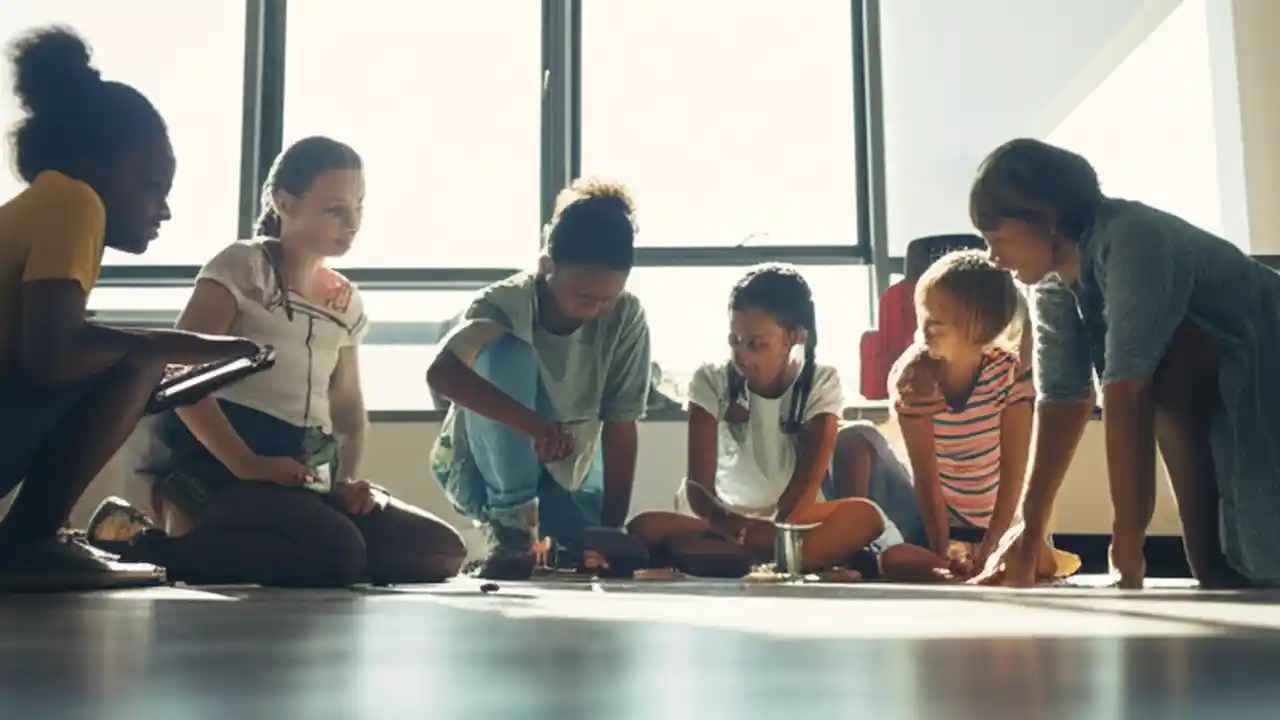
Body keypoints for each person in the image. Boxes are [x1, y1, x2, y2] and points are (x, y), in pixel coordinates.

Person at [86, 136, 466, 587]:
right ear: (284, 202)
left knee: (440, 551)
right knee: (340, 552)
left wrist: (347, 481)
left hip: (303, 477)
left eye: (358, 208)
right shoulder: (242, 266)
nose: (352, 223)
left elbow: (346, 410)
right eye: (334, 209)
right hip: (223, 469)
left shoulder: (346, 301)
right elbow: (176, 375)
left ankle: (287, 548)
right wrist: (247, 463)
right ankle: (136, 543)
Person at [0, 28, 260, 591]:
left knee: (136, 360)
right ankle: (28, 540)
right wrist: (157, 355)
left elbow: (54, 347)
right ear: (89, 165)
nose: (163, 209)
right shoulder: (73, 203)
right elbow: (50, 360)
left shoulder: (43, 204)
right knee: (137, 360)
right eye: (151, 185)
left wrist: (185, 356)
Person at [971, 138, 1280, 589]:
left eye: (997, 239)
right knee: (1230, 568)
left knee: (1170, 371)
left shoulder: (1134, 238)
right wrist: (1031, 529)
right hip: (1220, 380)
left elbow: (1127, 391)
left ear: (1048, 220)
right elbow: (1061, 397)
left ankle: (1214, 565)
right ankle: (1213, 569)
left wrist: (1127, 547)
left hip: (1265, 359)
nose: (993, 257)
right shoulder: (1054, 281)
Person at [626, 264, 950, 580]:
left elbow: (803, 493)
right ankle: (804, 561)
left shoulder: (821, 382)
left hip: (796, 522)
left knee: (862, 515)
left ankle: (771, 559)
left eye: (756, 343)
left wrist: (768, 533)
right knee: (646, 526)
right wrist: (738, 527)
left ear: (795, 339)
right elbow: (698, 488)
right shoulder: (710, 380)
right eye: (734, 340)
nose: (742, 355)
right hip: (727, 523)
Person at [427, 177, 651, 580]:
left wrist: (611, 529)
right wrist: (531, 425)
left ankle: (547, 537)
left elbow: (621, 422)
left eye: (608, 298)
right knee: (508, 350)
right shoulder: (504, 303)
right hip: (485, 474)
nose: (597, 309)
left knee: (589, 548)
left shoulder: (626, 317)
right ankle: (510, 529)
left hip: (568, 478)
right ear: (547, 266)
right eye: (584, 296)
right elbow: (441, 373)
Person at [833, 250, 1064, 577]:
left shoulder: (1008, 379)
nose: (923, 333)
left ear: (979, 330)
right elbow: (926, 479)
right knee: (897, 557)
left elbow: (1014, 476)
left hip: (994, 517)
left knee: (1039, 556)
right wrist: (938, 551)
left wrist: (990, 548)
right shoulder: (916, 381)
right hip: (936, 518)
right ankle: (914, 559)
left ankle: (977, 560)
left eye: (936, 325)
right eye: (922, 320)